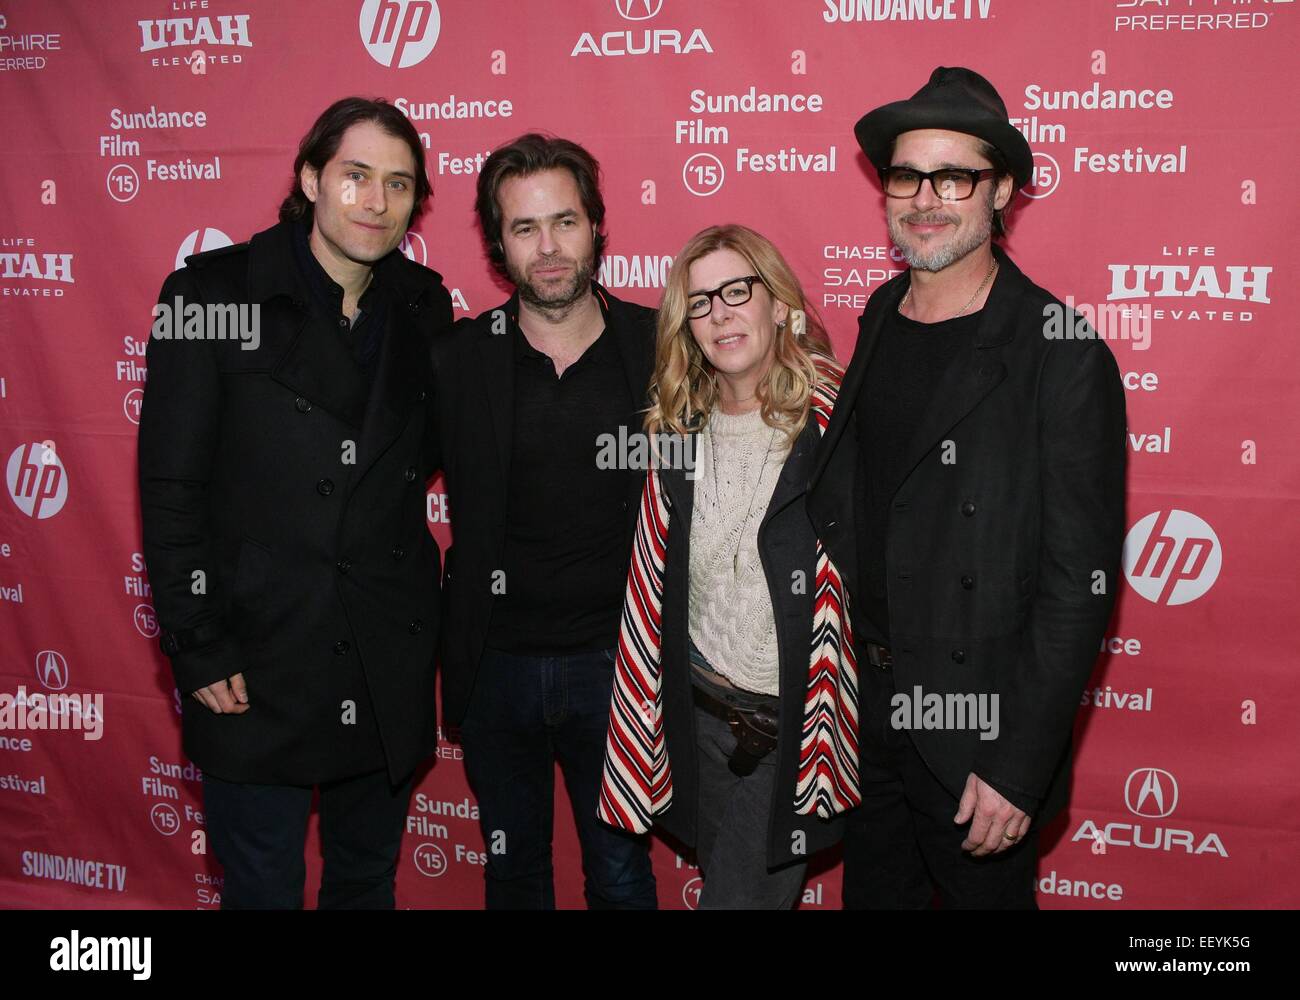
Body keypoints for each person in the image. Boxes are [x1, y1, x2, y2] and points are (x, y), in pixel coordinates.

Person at [806, 66, 1127, 908]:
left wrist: (1017, 765)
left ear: (1004, 192)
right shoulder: (878, 313)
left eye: (955, 176)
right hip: (868, 722)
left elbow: (1076, 585)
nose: (926, 198)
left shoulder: (1061, 352)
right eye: (907, 175)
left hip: (976, 738)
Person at [138, 97, 453, 909]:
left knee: (364, 882)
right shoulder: (210, 295)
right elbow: (172, 489)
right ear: (311, 177)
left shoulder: (424, 304)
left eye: (398, 183)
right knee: (262, 888)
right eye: (355, 177)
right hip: (255, 658)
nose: (376, 202)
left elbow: (426, 461)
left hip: (382, 657)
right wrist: (198, 644)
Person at [598, 224, 860, 909]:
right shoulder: (676, 433)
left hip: (797, 732)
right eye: (701, 301)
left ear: (779, 304)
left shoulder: (840, 425)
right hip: (699, 716)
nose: (720, 313)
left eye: (738, 291)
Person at [431, 133, 657, 909]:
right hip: (496, 667)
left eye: (565, 221)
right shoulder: (458, 360)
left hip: (622, 668)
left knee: (622, 877)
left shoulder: (661, 347)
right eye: (524, 228)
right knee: (514, 873)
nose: (549, 247)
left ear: (597, 226)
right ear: (498, 244)